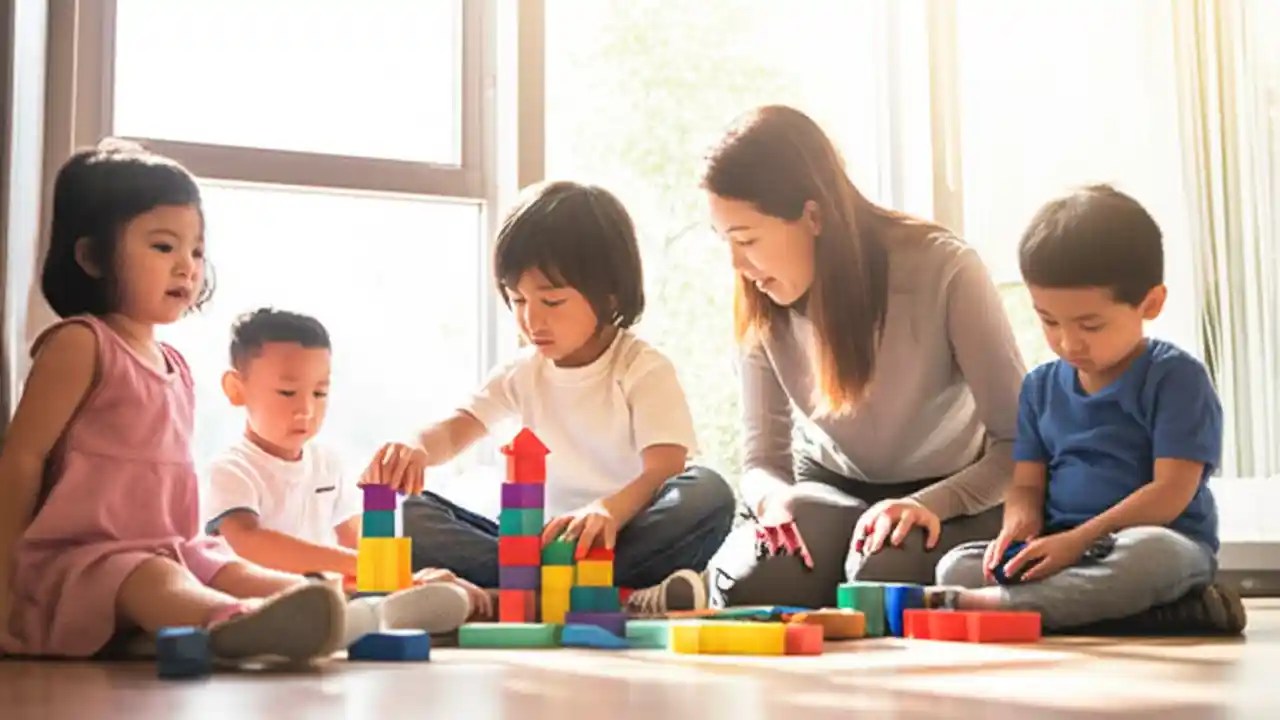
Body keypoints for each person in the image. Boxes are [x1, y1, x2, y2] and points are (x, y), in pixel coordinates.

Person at [0, 140, 345, 661]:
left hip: (166, 548)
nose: (186, 266)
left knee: (223, 564)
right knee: (151, 576)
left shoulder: (176, 366)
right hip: (84, 560)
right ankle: (233, 624)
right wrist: (6, 572)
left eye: (197, 251)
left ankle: (326, 606)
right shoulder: (82, 343)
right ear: (92, 256)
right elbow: (22, 458)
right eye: (164, 247)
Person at [701, 106, 1026, 609]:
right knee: (752, 586)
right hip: (833, 494)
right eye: (725, 242)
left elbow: (1018, 444)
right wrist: (773, 500)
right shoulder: (763, 298)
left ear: (813, 216)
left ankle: (855, 565)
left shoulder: (944, 269)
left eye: (746, 240)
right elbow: (763, 459)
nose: (738, 266)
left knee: (881, 574)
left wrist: (924, 504)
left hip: (950, 496)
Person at [368, 180, 736, 614]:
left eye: (552, 301)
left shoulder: (640, 367)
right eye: (517, 299)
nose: (530, 319)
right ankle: (577, 596)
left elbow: (665, 468)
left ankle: (521, 597)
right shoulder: (522, 372)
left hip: (622, 537)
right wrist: (415, 446)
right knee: (413, 516)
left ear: (610, 293)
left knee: (709, 493)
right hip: (538, 547)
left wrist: (608, 511)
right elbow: (454, 430)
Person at [934, 185, 1247, 634]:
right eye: (1049, 321)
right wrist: (1019, 526)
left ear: (1151, 304)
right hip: (1061, 547)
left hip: (1152, 543)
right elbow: (1026, 484)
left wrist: (1079, 542)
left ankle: (1016, 608)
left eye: (1090, 324)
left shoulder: (1176, 378)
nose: (1067, 342)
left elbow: (1170, 493)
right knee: (956, 569)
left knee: (1150, 558)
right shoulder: (1040, 387)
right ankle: (1157, 613)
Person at [203, 308, 488, 636]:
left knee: (376, 583)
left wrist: (411, 577)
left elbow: (358, 542)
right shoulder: (230, 469)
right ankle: (359, 617)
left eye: (320, 393)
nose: (306, 410)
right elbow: (249, 541)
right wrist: (358, 565)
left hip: (324, 591)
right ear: (236, 389)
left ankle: (386, 612)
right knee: (325, 591)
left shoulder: (327, 463)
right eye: (287, 392)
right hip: (256, 597)